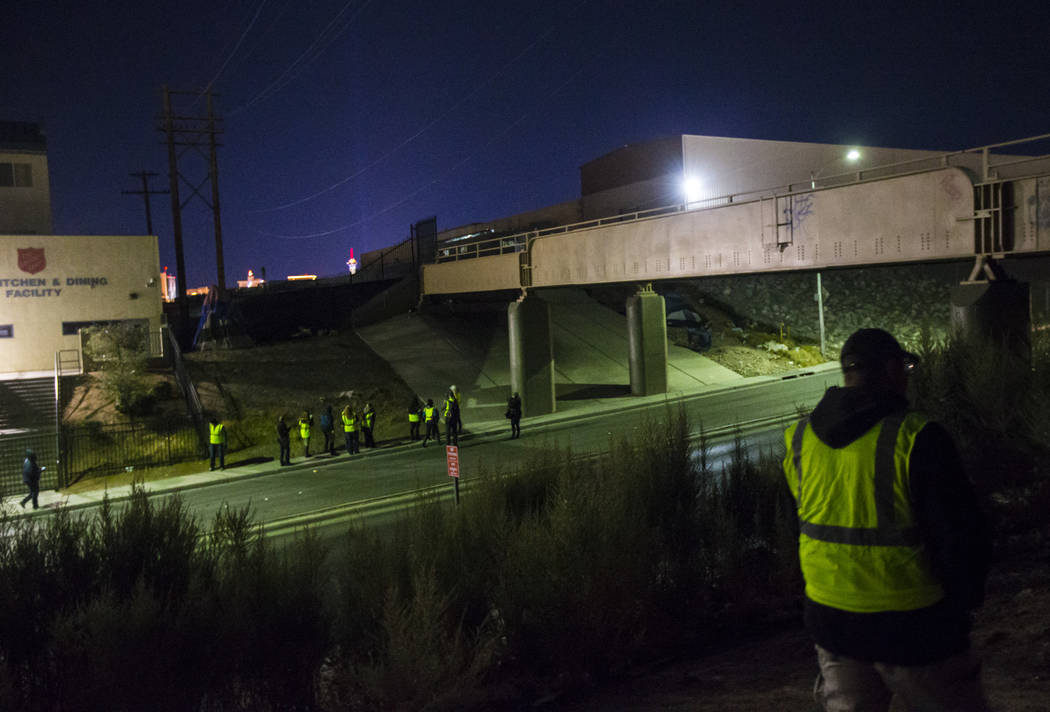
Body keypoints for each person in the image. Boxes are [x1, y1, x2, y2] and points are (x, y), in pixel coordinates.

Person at [782, 328, 991, 712]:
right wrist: (962, 605)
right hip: (914, 625)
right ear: (893, 369)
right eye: (906, 368)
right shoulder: (918, 437)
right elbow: (959, 536)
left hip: (832, 621)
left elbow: (806, 521)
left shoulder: (799, 438)